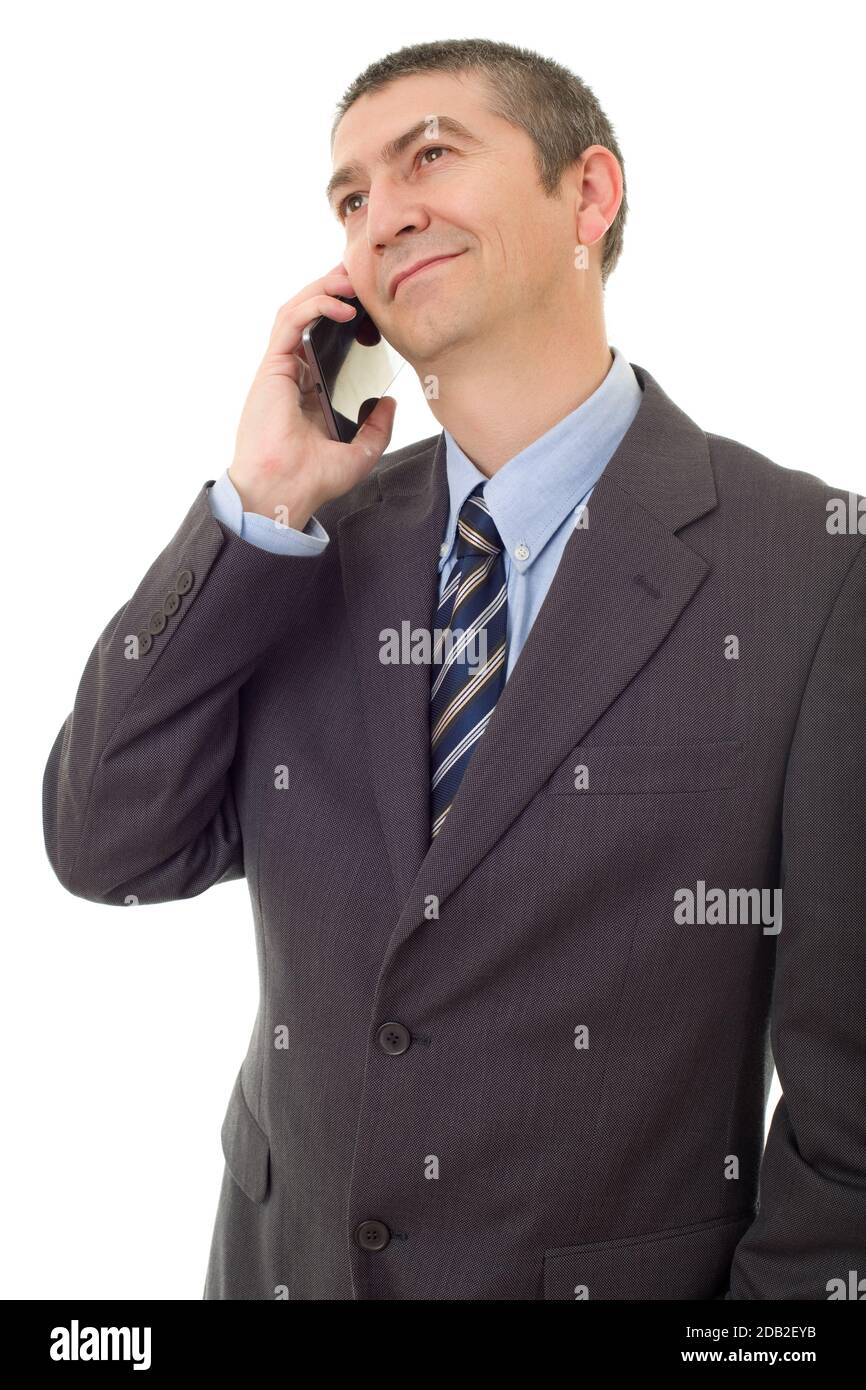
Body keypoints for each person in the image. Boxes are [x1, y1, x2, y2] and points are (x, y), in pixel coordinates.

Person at [42, 37, 865, 1301]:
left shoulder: (812, 570)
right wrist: (255, 506)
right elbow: (110, 845)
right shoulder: (302, 546)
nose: (384, 214)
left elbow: (847, 1117)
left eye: (430, 154)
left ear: (588, 196)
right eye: (351, 196)